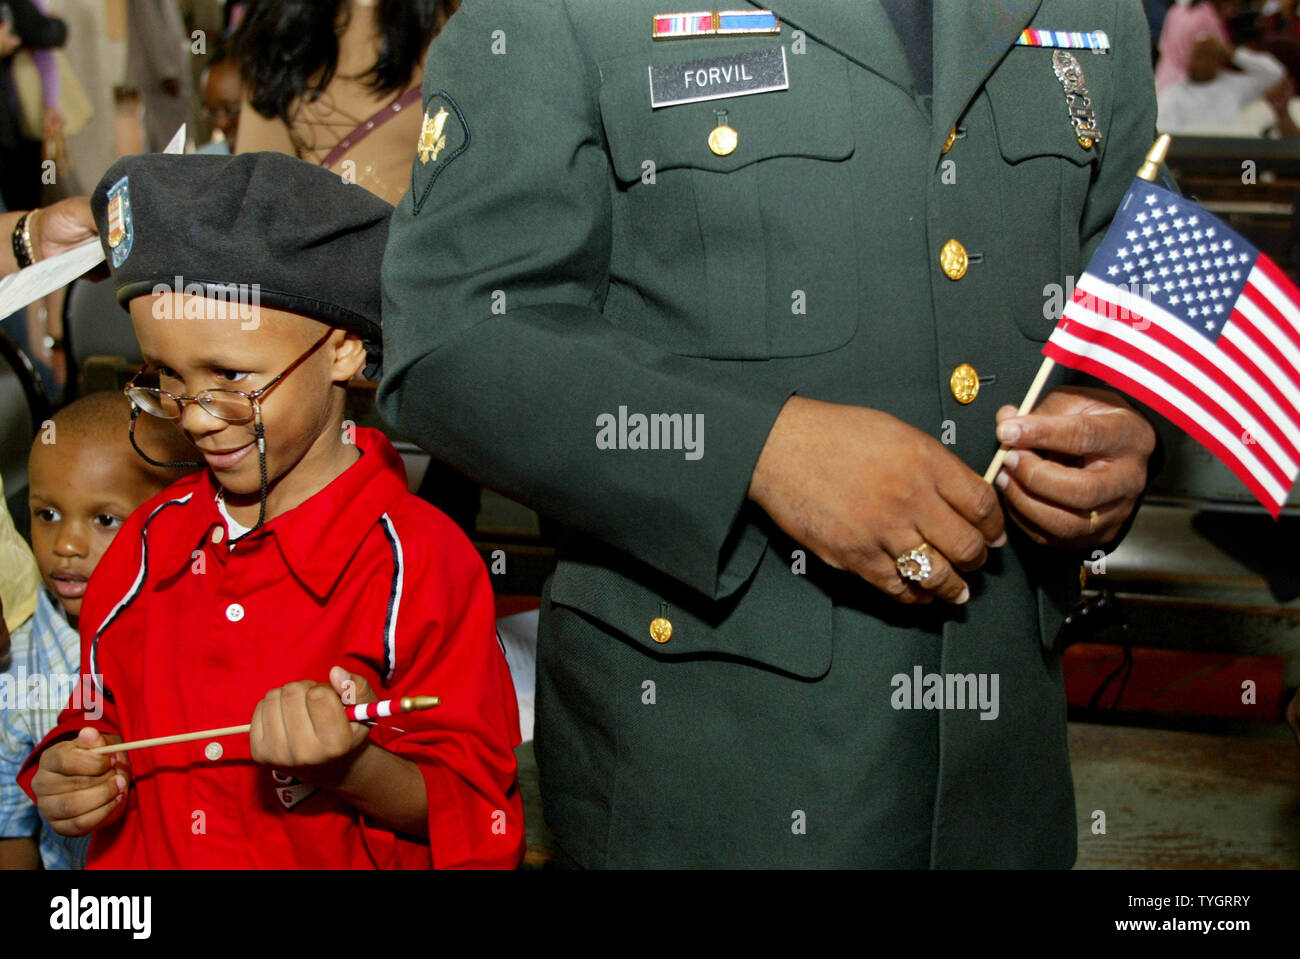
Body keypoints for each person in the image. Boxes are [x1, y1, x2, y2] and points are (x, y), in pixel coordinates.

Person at [379, 0, 1171, 867]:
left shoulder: (1095, 11)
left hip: (1004, 783)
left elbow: (1126, 280)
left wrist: (1118, 420)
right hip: (714, 780)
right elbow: (455, 341)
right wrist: (756, 448)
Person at [19, 151, 525, 868]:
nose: (195, 418)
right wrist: (73, 771)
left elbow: (477, 812)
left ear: (346, 349)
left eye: (231, 377)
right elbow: (95, 717)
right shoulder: (142, 546)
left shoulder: (420, 566)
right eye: (167, 378)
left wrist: (351, 767)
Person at [0, 391, 201, 870]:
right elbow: (10, 825)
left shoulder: (195, 639)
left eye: (105, 520)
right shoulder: (17, 659)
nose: (66, 545)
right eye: (46, 514)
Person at [1157, 34, 1295, 134]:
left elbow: (1275, 74)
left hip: (1231, 156)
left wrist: (1233, 53)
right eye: (1195, 56)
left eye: (1204, 56)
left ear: (1218, 61)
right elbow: (1166, 134)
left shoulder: (1234, 86)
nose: (1195, 63)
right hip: (1192, 162)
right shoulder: (1173, 94)